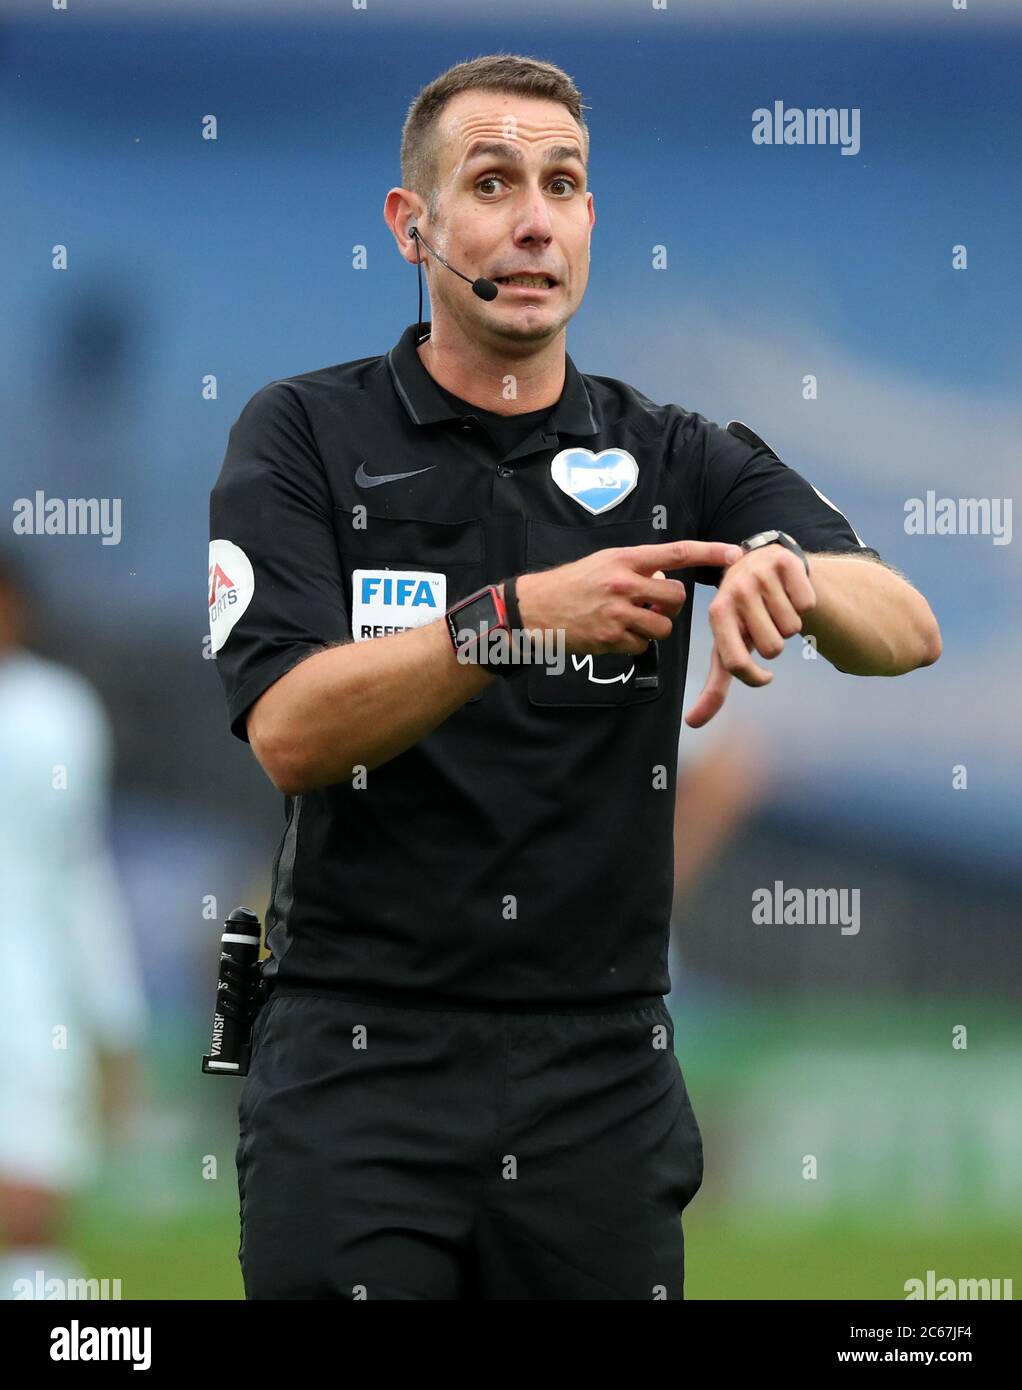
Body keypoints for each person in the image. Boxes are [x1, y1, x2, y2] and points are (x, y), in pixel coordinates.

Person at [208, 54, 941, 1300]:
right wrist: (506, 622)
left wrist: (791, 574)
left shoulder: (672, 453)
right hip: (357, 1061)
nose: (534, 219)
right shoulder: (302, 436)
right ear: (412, 226)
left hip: (598, 1076)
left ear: (592, 220)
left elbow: (904, 624)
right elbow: (285, 729)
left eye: (564, 184)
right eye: (491, 182)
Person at [0, 553, 147, 1298]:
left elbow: (81, 876)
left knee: (28, 1213)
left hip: (27, 1001)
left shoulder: (56, 712)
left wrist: (114, 1027)